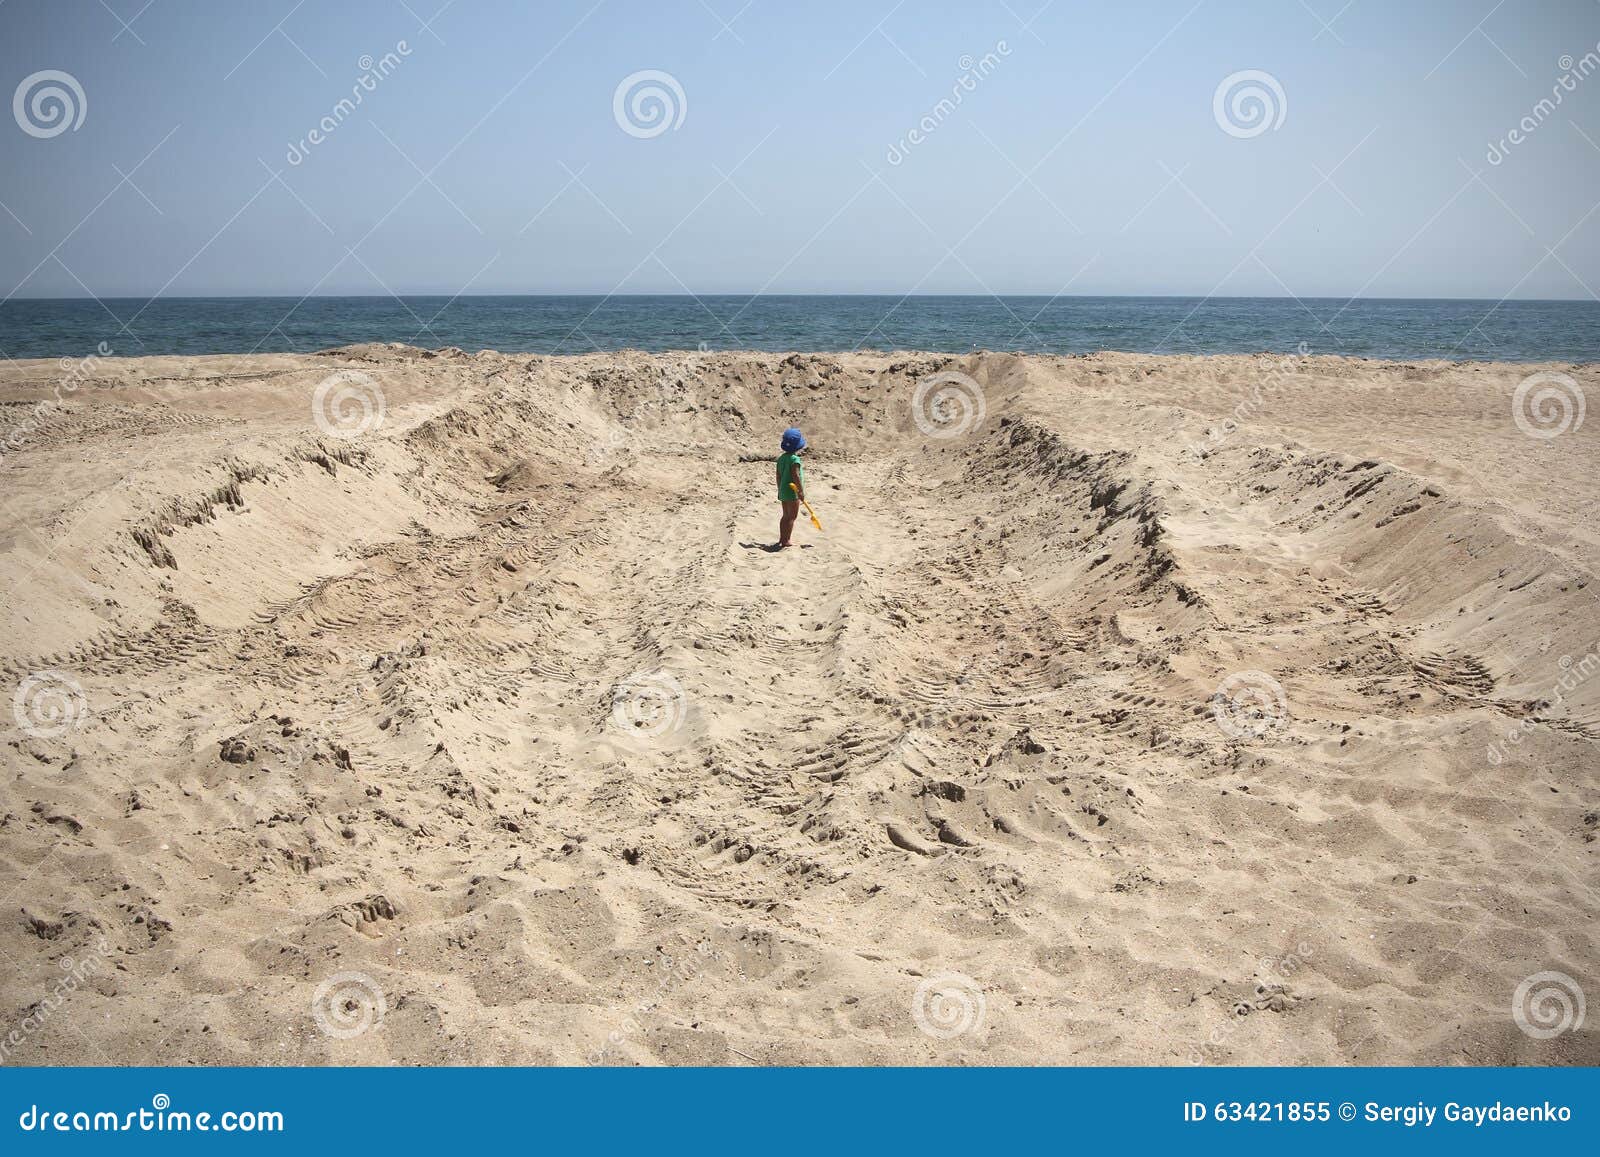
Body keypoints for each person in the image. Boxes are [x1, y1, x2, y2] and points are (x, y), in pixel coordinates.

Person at [776, 427, 807, 548]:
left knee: (785, 516)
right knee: (792, 517)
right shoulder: (795, 459)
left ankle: (782, 538)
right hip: (792, 492)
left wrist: (780, 489)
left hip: (783, 490)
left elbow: (778, 475)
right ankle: (786, 540)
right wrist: (800, 491)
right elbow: (796, 475)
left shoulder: (781, 459)